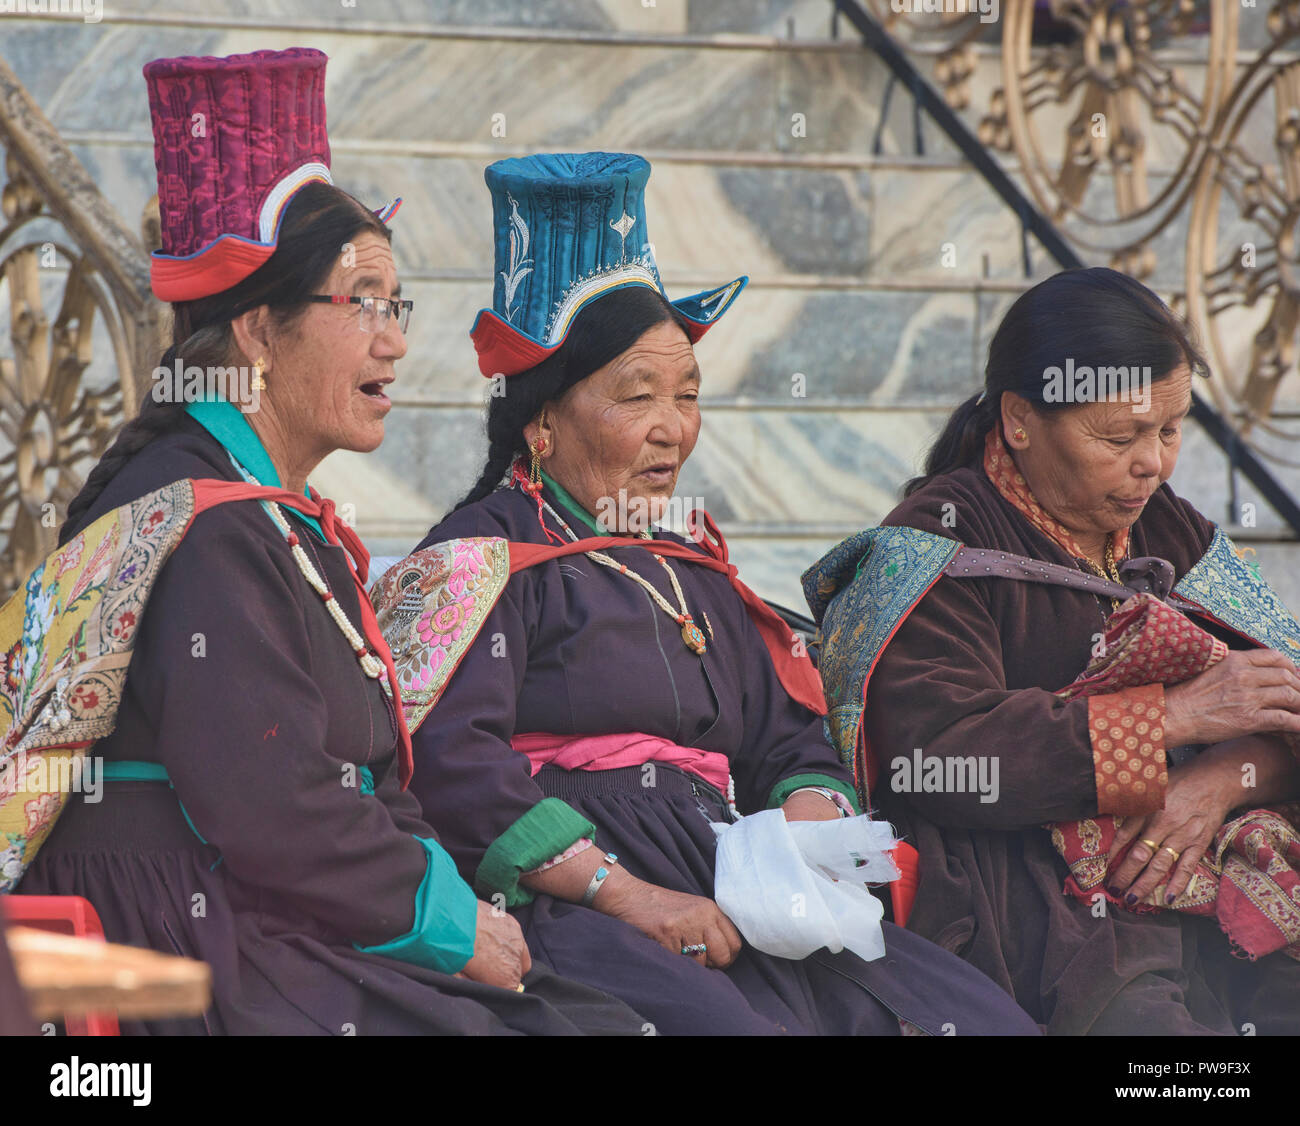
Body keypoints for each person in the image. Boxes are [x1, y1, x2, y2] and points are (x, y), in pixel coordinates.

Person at [11, 50, 647, 1036]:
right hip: (187, 941)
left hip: (262, 912)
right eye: (363, 302)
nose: (393, 339)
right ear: (259, 330)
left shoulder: (267, 520)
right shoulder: (207, 525)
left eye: (398, 306)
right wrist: (447, 920)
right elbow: (274, 808)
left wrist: (459, 908)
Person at [379, 152, 1040, 1035]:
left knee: (968, 1019)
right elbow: (454, 762)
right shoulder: (483, 561)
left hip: (733, 880)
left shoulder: (693, 568)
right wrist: (628, 896)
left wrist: (810, 827)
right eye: (637, 396)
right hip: (576, 902)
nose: (673, 428)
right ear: (541, 421)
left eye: (688, 394)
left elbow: (787, 736)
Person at [805, 266, 1300, 1035]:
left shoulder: (1173, 531)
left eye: (1170, 429)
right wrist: (1170, 719)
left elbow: (1282, 700)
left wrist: (1216, 782)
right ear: (1020, 419)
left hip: (1212, 865)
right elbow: (930, 756)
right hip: (1038, 903)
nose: (1155, 463)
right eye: (1120, 437)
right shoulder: (937, 545)